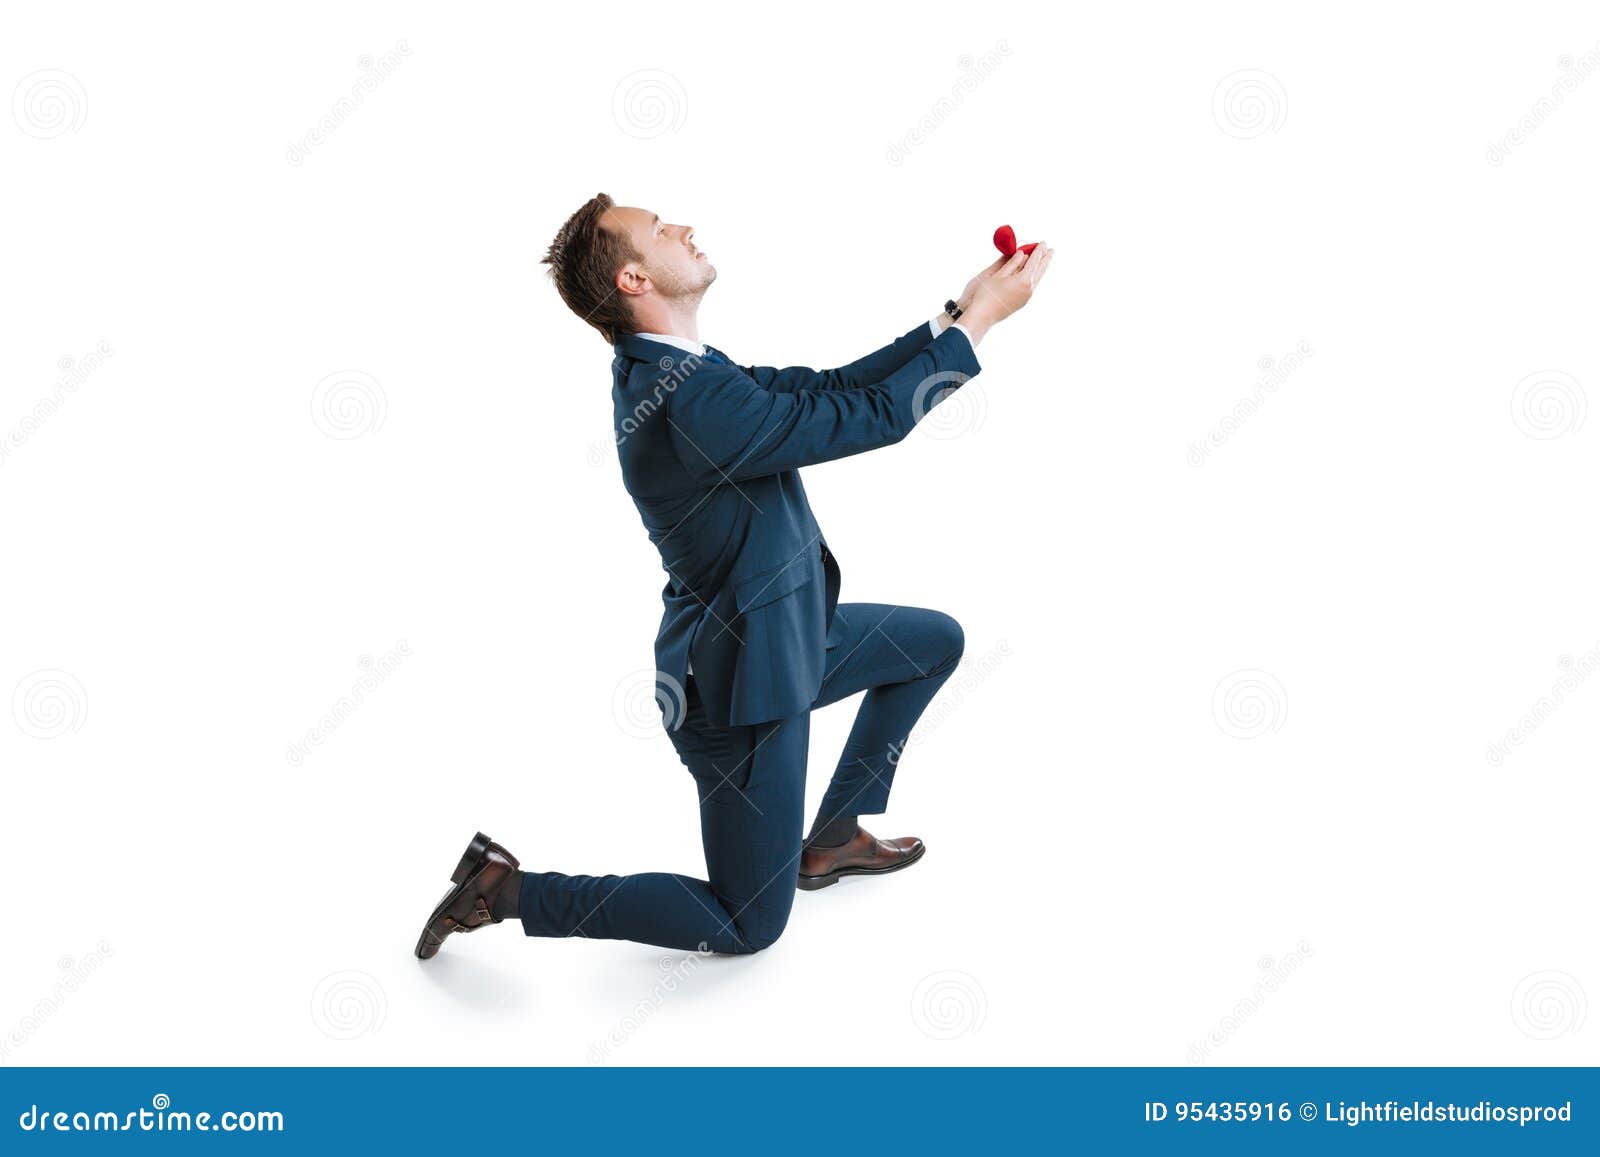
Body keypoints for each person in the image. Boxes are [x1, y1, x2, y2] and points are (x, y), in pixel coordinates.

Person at [416, 194, 1050, 958]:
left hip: (788, 631)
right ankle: (504, 889)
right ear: (633, 279)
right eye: (659, 231)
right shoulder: (689, 401)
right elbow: (874, 416)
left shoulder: (683, 368)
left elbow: (829, 388)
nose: (681, 226)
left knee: (933, 642)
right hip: (741, 689)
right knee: (748, 923)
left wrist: (958, 311)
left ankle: (834, 835)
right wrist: (984, 325)